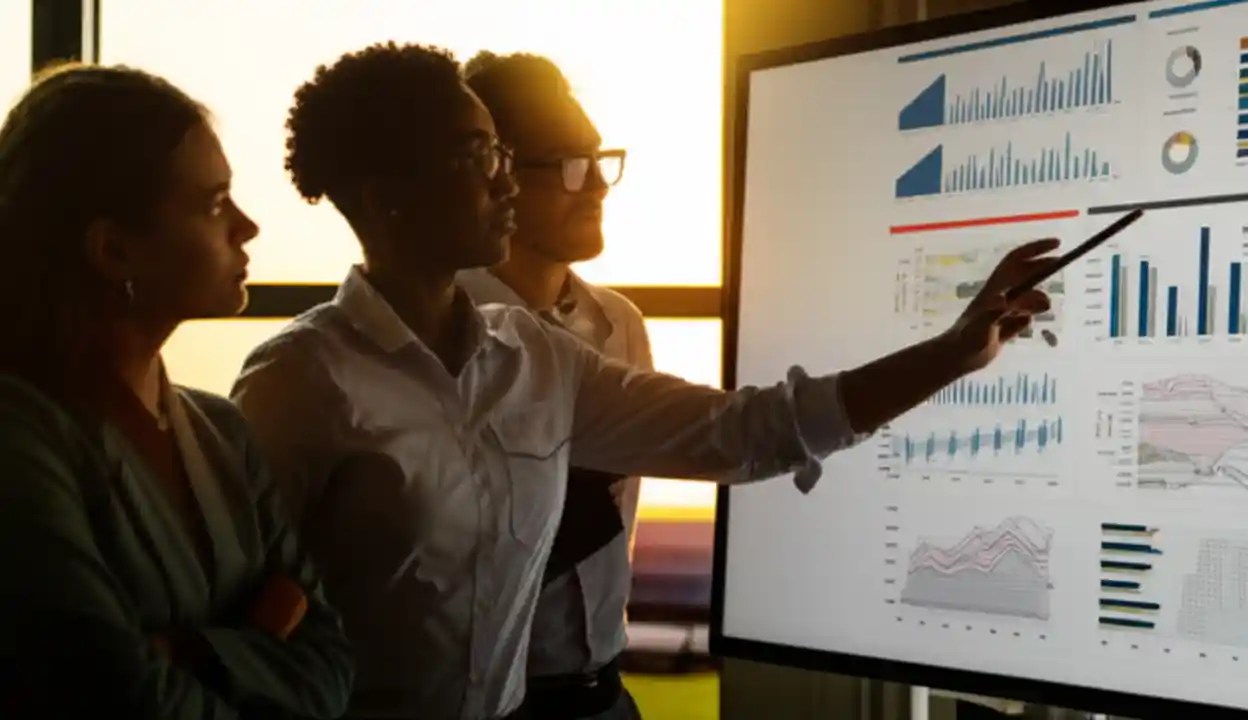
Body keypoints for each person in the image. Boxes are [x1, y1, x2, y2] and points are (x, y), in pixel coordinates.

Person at [230, 42, 1055, 720]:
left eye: (503, 154)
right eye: (476, 156)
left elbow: (745, 431)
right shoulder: (301, 380)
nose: (504, 179)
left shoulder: (535, 358)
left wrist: (951, 353)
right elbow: (242, 626)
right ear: (386, 198)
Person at [0, 63, 354, 718]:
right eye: (214, 204)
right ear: (113, 250)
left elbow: (330, 658)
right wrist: (255, 642)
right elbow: (116, 695)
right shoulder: (19, 440)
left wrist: (188, 652)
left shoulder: (221, 431)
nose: (247, 226)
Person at [460, 51, 648, 720]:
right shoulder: (437, 339)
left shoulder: (619, 326)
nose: (596, 184)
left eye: (599, 159)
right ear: (498, 174)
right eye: (570, 163)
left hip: (607, 692)